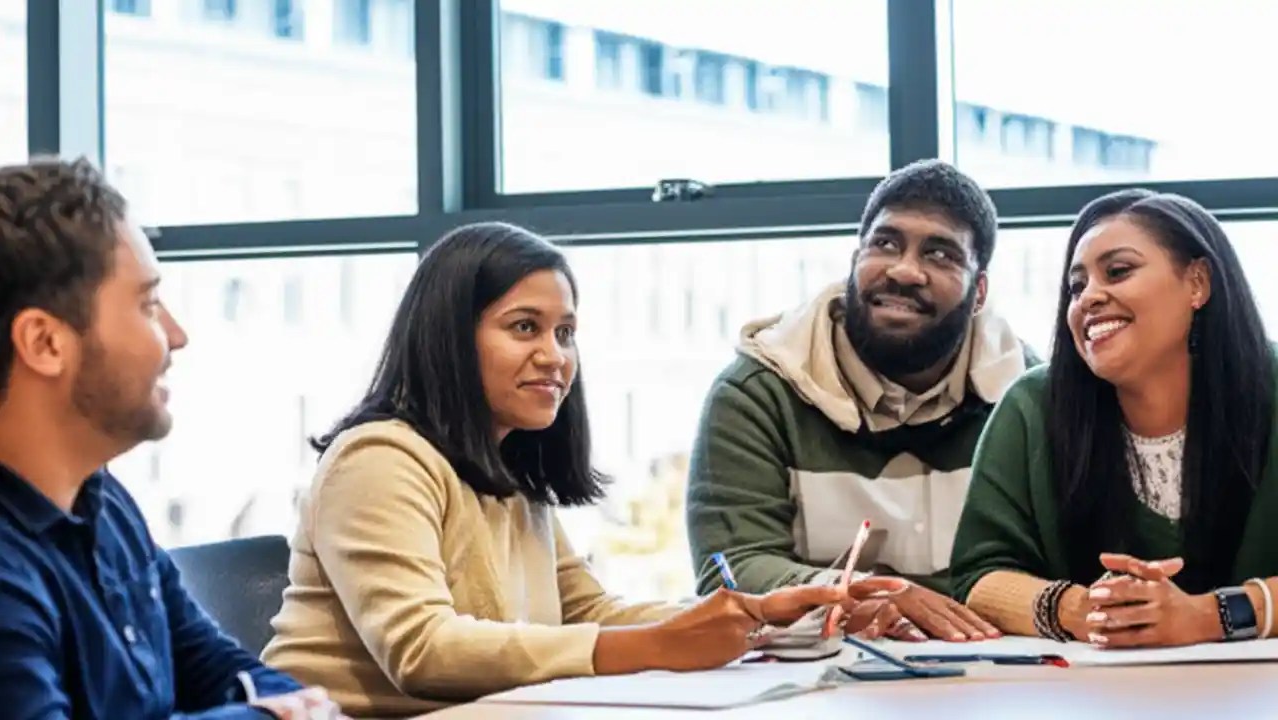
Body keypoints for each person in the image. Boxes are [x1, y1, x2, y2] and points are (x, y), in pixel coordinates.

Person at [261, 222, 903, 716]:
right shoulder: (379, 458)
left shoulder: (505, 470)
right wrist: (660, 646)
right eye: (524, 328)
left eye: (565, 333)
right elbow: (423, 650)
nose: (555, 357)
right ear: (449, 337)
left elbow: (587, 612)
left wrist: (756, 617)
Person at [0, 158, 342, 718]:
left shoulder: (105, 507)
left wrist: (298, 707)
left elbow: (210, 664)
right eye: (148, 305)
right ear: (45, 342)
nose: (176, 337)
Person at [686, 159, 1038, 642]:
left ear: (979, 293)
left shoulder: (1029, 395)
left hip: (1000, 679)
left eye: (940, 255)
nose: (904, 270)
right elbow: (729, 571)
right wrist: (865, 593)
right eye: (885, 243)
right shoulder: (758, 392)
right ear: (855, 260)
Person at [950, 189, 1278, 648]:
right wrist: (1085, 609)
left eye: (1118, 271)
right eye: (1076, 286)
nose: (1089, 298)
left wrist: (1208, 615)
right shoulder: (1032, 405)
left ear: (1198, 282)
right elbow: (978, 576)